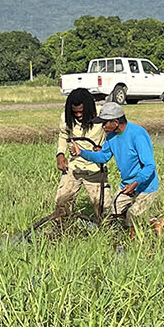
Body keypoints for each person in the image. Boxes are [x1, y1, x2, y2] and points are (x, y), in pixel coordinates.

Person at [68, 102, 164, 236]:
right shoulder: (111, 137)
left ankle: (133, 244)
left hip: (145, 185)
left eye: (105, 123)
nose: (102, 127)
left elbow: (150, 165)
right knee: (115, 210)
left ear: (115, 122)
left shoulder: (138, 135)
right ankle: (153, 222)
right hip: (127, 184)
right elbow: (103, 157)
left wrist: (135, 183)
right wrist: (81, 153)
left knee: (133, 214)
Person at [53, 87, 112, 224]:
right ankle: (62, 230)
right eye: (75, 113)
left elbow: (113, 133)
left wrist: (103, 148)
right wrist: (60, 154)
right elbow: (63, 135)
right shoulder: (66, 118)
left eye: (81, 112)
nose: (79, 115)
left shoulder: (102, 114)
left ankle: (106, 232)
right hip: (74, 167)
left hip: (95, 168)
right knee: (62, 202)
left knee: (103, 206)